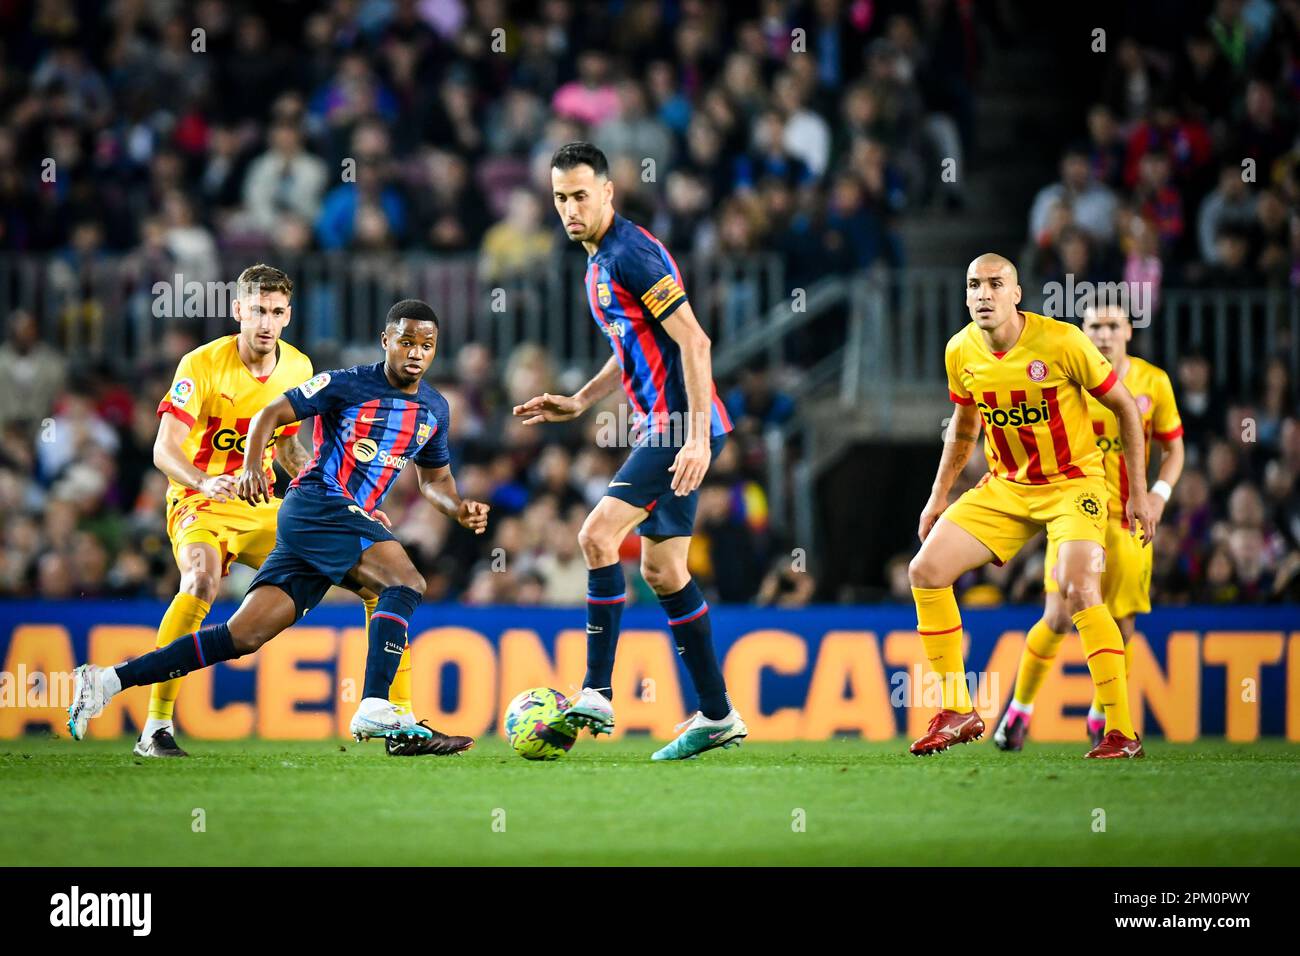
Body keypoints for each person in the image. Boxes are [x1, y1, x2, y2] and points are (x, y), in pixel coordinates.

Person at [68, 301, 488, 753]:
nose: (416, 353)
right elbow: (270, 414)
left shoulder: (434, 409)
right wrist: (252, 468)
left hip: (331, 520)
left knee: (241, 635)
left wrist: (457, 508)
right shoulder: (348, 383)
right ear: (386, 341)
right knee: (406, 580)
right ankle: (378, 706)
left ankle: (107, 681)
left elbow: (435, 479)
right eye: (406, 341)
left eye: (426, 345)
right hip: (316, 503)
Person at [512, 142, 744, 761]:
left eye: (581, 194)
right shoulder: (598, 262)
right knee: (663, 571)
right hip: (663, 427)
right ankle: (718, 715)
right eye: (560, 197)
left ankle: (596, 690)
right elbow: (634, 344)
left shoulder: (631, 254)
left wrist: (694, 435)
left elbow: (695, 342)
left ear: (609, 192)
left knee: (595, 535)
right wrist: (583, 399)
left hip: (676, 428)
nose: (570, 207)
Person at [908, 253, 1157, 760]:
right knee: (926, 569)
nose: (983, 294)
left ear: (1016, 294)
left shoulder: (1062, 341)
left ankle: (1122, 731)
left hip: (1073, 484)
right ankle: (958, 710)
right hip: (1008, 487)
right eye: (974, 284)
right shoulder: (961, 350)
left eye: (995, 284)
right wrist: (939, 496)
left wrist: (1137, 491)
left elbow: (1126, 406)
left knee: (1078, 588)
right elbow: (963, 428)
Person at [994, 303, 1183, 750]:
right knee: (1058, 617)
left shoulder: (1153, 382)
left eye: (1112, 325)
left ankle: (1103, 716)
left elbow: (1174, 449)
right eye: (1094, 325)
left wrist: (1158, 494)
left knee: (1124, 625)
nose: (1103, 334)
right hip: (1076, 517)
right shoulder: (1065, 378)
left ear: (1128, 332)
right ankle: (1019, 712)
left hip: (1128, 522)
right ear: (1084, 331)